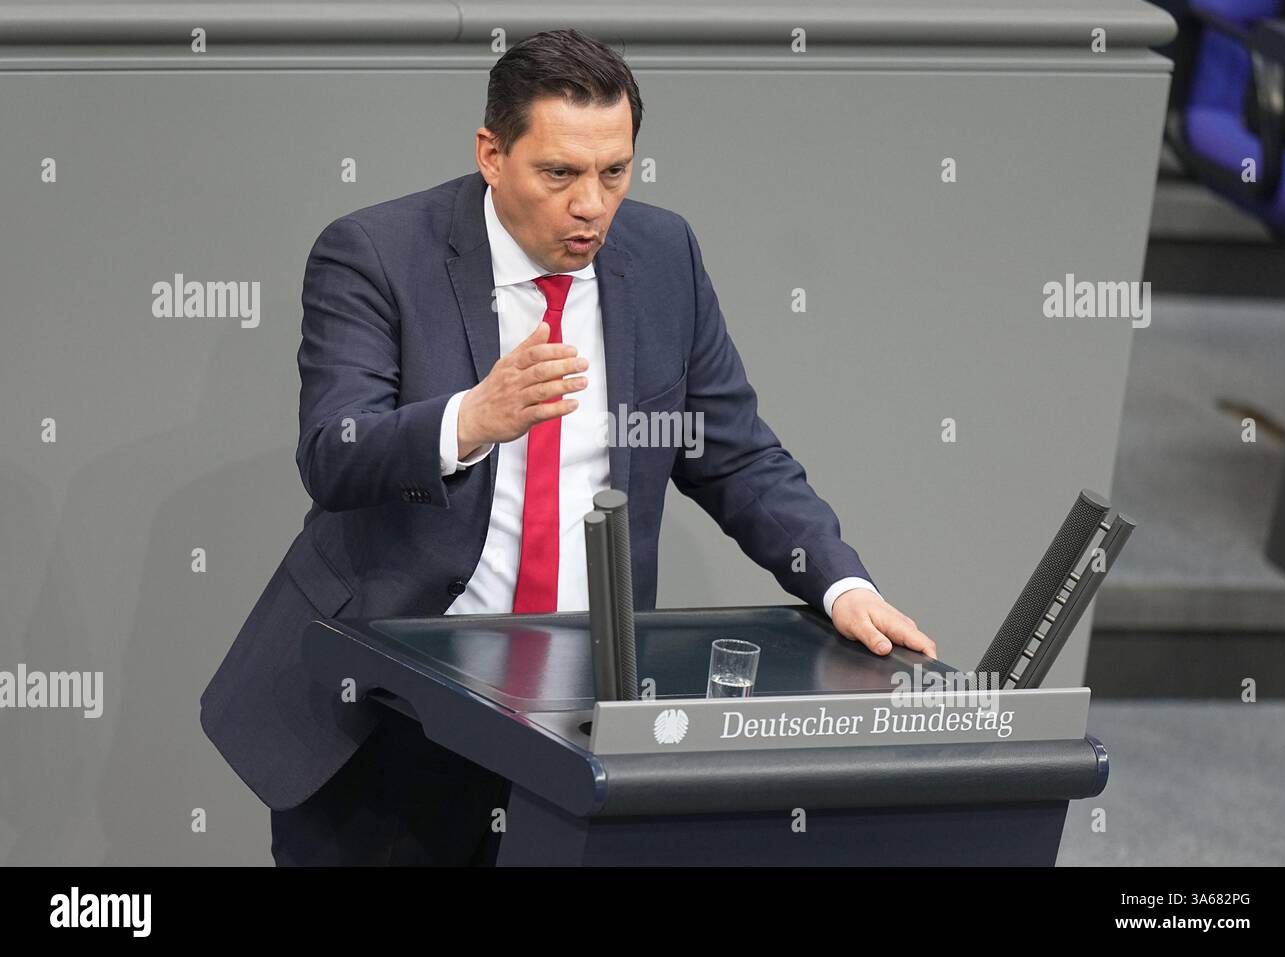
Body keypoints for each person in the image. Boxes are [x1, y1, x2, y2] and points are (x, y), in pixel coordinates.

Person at [199, 27, 935, 866]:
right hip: (388, 705)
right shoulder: (375, 253)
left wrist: (839, 580)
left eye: (614, 171)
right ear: (491, 153)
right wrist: (467, 421)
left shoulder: (664, 258)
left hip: (574, 726)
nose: (592, 203)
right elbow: (334, 450)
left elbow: (734, 454)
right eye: (560, 173)